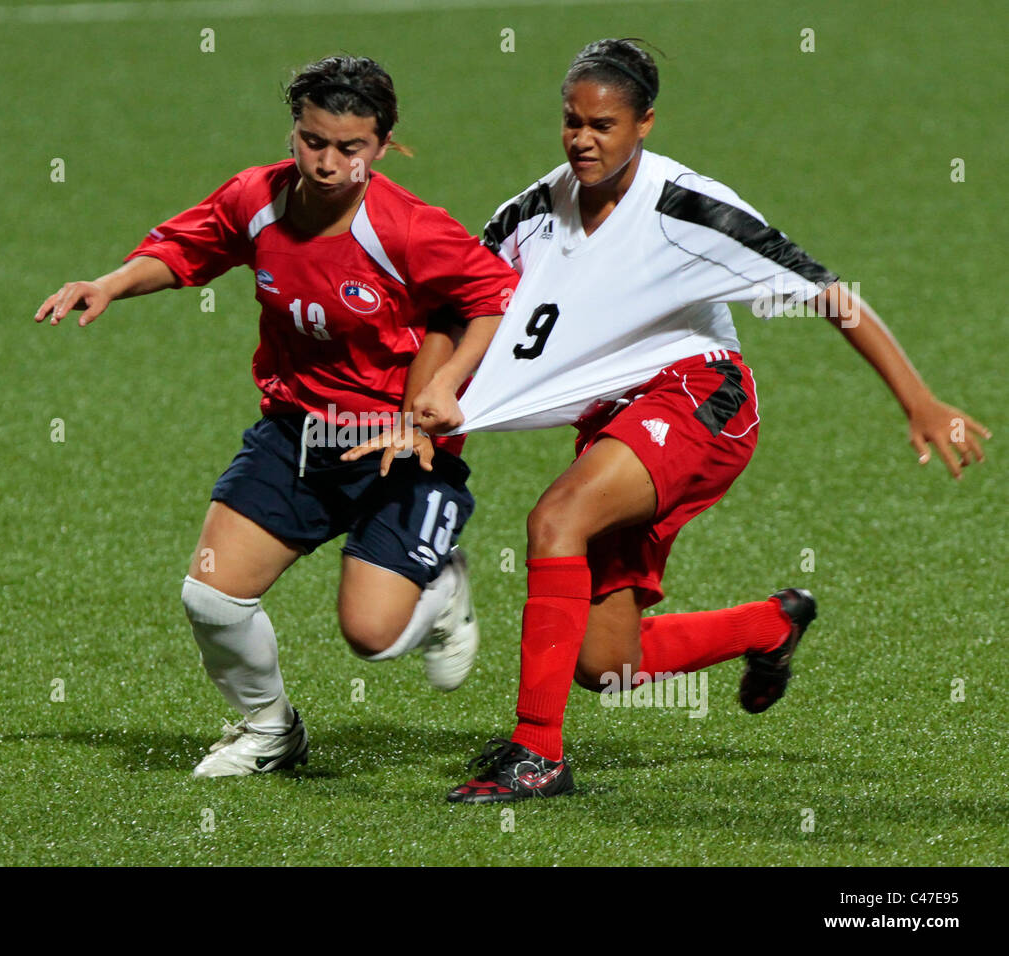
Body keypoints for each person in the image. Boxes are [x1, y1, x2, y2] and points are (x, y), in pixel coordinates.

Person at [350, 38, 989, 803]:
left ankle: (536, 755)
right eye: (571, 121)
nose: (583, 139)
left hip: (702, 402)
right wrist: (422, 407)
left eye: (604, 124)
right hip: (615, 424)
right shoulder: (528, 212)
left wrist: (918, 400)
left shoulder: (690, 208)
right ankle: (771, 625)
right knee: (604, 665)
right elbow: (457, 311)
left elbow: (827, 291)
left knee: (556, 519)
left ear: (645, 123)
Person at [34, 55, 518, 778]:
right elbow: (187, 249)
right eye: (311, 140)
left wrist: (445, 387)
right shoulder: (256, 199)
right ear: (294, 131)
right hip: (297, 433)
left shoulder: (409, 229)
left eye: (349, 149)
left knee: (372, 638)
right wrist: (109, 283)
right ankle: (269, 731)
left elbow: (496, 295)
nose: (327, 163)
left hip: (399, 449)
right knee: (213, 599)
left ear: (381, 146)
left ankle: (441, 583)